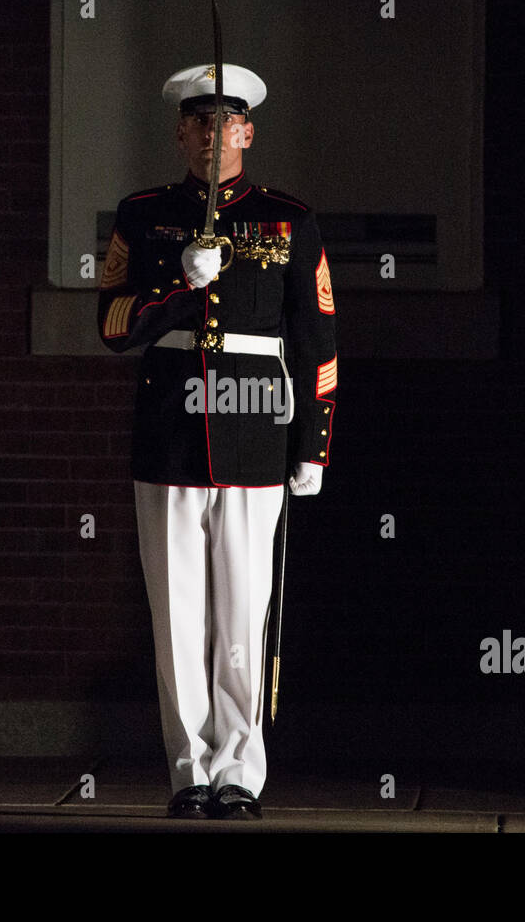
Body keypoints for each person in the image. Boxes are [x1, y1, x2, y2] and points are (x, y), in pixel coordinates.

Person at [97, 63, 337, 819]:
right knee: (175, 619)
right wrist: (180, 288)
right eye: (199, 120)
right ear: (180, 131)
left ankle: (239, 770)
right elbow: (110, 326)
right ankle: (188, 772)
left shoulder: (287, 218)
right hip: (170, 431)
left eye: (227, 120)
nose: (212, 133)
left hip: (256, 433)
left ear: (248, 132)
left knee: (242, 615)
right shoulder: (142, 215)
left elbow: (315, 337)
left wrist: (313, 445)